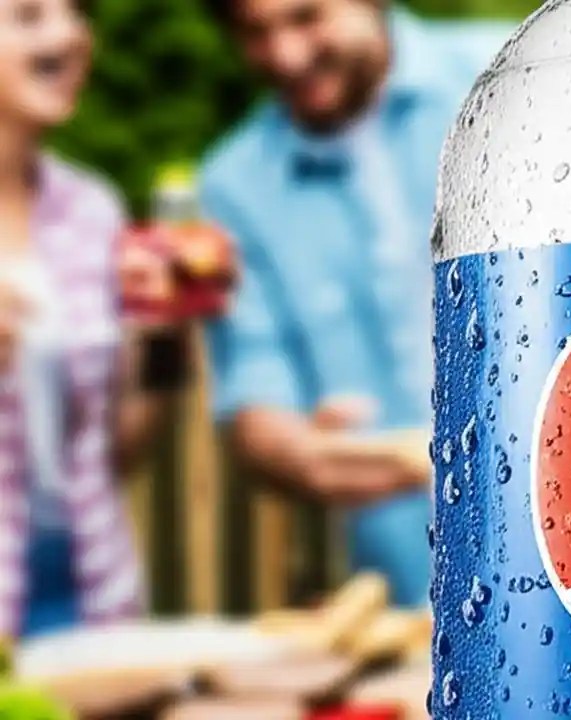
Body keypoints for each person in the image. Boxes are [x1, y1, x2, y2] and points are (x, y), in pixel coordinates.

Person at [199, 0, 510, 607]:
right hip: (419, 595)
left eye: (306, 18)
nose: (286, 57)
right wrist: (298, 451)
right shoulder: (235, 184)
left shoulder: (520, 72)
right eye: (255, 33)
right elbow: (255, 386)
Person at [0, 0, 186, 638]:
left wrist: (167, 335)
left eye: (76, 12)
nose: (70, 33)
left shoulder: (91, 209)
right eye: (29, 15)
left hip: (93, 600)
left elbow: (112, 451)